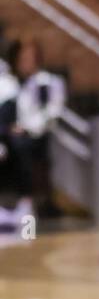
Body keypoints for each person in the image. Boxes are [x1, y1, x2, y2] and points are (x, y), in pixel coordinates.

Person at [0, 39, 66, 228]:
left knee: (23, 147)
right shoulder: (11, 84)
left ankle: (26, 207)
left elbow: (52, 113)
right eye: (21, 59)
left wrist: (27, 129)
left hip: (38, 136)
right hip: (13, 136)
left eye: (29, 59)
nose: (24, 63)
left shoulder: (48, 83)